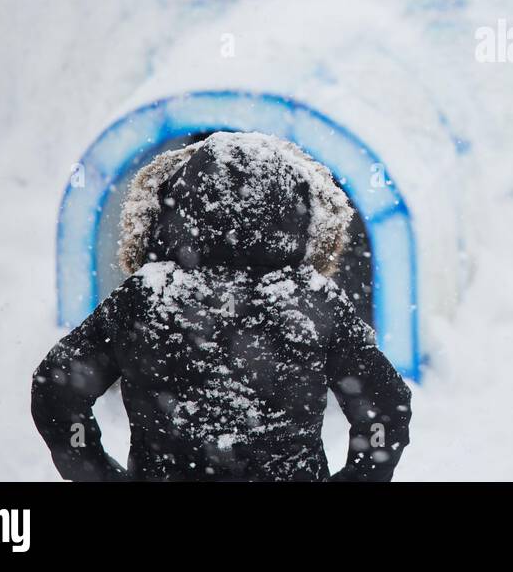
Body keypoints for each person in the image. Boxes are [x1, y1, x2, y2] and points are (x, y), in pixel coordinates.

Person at [31, 131, 411, 481]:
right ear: (295, 209)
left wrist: (96, 472)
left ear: (176, 207)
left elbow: (58, 390)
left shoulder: (146, 298)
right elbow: (384, 408)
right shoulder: (315, 303)